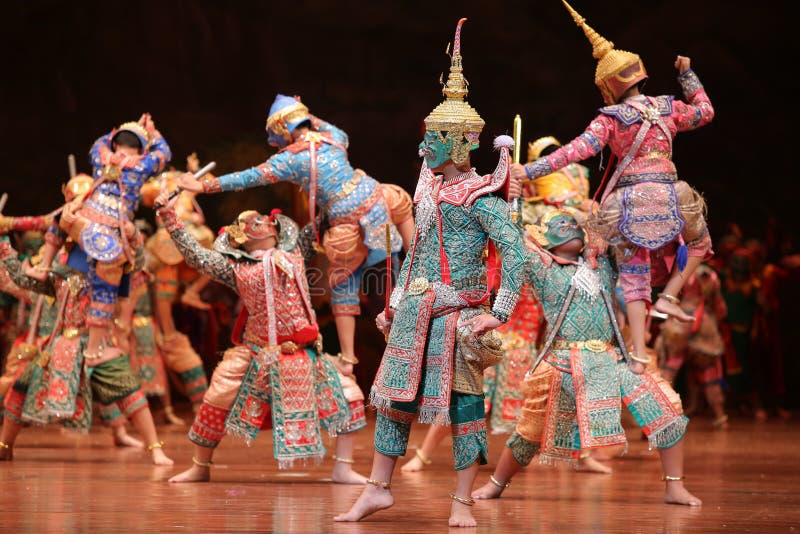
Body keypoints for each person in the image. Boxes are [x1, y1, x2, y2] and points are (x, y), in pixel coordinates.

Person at [334, 18, 527, 528]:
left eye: (436, 137)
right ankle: (377, 488)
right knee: (395, 402)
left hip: (457, 313)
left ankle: (462, 500)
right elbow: (418, 253)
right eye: (427, 136)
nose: (425, 146)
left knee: (465, 406)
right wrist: (394, 302)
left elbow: (516, 254)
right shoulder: (430, 193)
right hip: (416, 308)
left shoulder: (481, 196)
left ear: (461, 141)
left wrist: (498, 313)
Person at [515, 0, 715, 373]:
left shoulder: (610, 119)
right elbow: (705, 111)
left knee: (634, 273)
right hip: (672, 194)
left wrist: (528, 171)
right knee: (701, 245)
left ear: (608, 87)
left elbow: (575, 150)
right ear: (638, 74)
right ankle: (670, 296)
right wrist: (688, 75)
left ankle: (638, 353)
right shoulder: (668, 108)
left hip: (629, 201)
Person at [471, 210, 700, 506]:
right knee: (529, 435)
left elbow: (623, 235)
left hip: (612, 357)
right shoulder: (541, 267)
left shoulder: (603, 262)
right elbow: (512, 239)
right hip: (562, 362)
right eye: (561, 224)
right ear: (543, 235)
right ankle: (496, 483)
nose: (571, 227)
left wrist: (599, 230)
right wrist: (513, 200)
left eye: (574, 225)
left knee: (667, 409)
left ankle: (674, 486)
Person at [177, 97, 414, 383]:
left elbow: (248, 178)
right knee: (400, 206)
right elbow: (319, 125)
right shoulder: (334, 138)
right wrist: (301, 111)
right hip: (377, 199)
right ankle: (420, 263)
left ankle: (351, 357)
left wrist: (202, 185)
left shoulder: (290, 159)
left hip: (347, 221)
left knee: (344, 285)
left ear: (282, 129)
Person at [152, 190, 367, 484]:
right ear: (242, 236)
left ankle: (343, 467)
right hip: (257, 352)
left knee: (351, 395)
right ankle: (200, 466)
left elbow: (323, 218)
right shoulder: (236, 267)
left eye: (264, 219)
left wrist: (339, 189)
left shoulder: (295, 252)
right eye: (254, 221)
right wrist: (169, 216)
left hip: (304, 352)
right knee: (215, 398)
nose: (263, 221)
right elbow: (195, 255)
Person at [0, 235, 172, 465]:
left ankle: (155, 449)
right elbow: (24, 280)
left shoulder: (108, 267)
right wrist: (3, 244)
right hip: (61, 346)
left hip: (99, 346)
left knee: (129, 391)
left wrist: (133, 238)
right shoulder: (59, 272)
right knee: (22, 386)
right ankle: (5, 445)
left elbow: (136, 264)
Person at [28, 115, 171, 366]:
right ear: (140, 148)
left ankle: (42, 267)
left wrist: (114, 132)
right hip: (109, 231)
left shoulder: (100, 157)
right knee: (107, 285)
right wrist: (153, 133)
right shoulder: (141, 165)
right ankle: (94, 352)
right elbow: (164, 153)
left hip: (82, 219)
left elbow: (97, 143)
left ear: (115, 143)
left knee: (61, 216)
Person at [655, 262, 729, 429]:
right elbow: (719, 305)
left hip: (679, 322)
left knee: (668, 371)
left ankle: (657, 420)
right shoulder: (709, 275)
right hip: (701, 321)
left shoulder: (678, 271)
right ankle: (720, 417)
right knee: (708, 371)